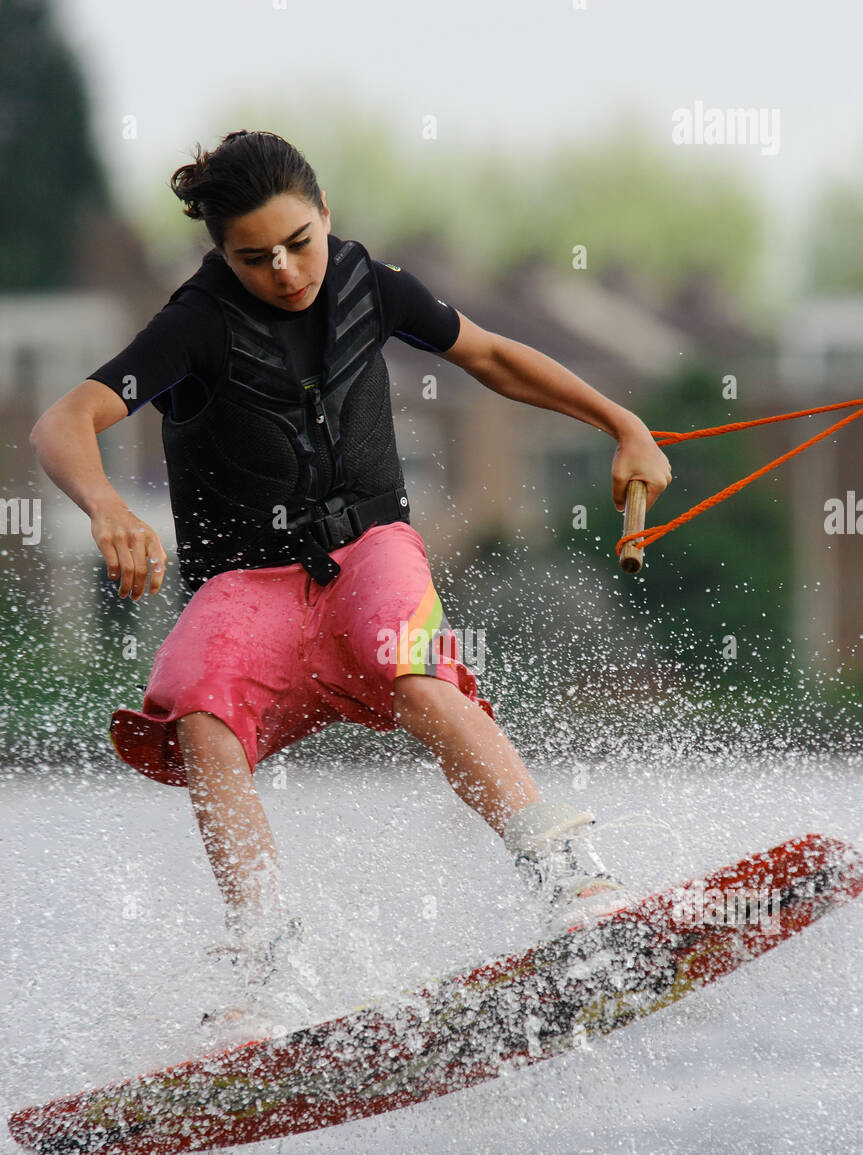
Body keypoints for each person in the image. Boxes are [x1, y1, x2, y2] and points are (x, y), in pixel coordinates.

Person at [30, 130, 671, 1044]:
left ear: (325, 215)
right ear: (221, 253)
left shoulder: (371, 281)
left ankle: (577, 883)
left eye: (300, 241)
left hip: (368, 550)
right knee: (203, 720)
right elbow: (67, 420)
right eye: (253, 257)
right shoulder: (193, 326)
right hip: (247, 585)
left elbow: (488, 356)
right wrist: (103, 507)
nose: (285, 269)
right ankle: (265, 971)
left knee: (410, 667)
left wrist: (622, 423)